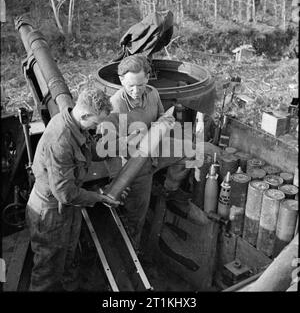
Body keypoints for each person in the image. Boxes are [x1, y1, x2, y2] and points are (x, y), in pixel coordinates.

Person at [26, 85, 126, 292]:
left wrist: (119, 147)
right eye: (96, 123)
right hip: (51, 213)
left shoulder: (75, 123)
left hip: (69, 208)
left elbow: (88, 150)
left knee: (69, 256)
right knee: (48, 270)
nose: (97, 129)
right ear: (85, 113)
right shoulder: (61, 140)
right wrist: (100, 197)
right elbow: (65, 193)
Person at [101, 54, 194, 250]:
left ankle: (167, 190)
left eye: (141, 85)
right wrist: (117, 181)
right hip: (134, 166)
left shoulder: (152, 94)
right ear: (121, 81)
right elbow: (107, 147)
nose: (136, 91)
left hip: (155, 150)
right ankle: (132, 251)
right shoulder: (115, 105)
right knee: (137, 216)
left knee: (190, 150)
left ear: (148, 79)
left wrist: (166, 121)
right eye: (131, 86)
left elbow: (161, 115)